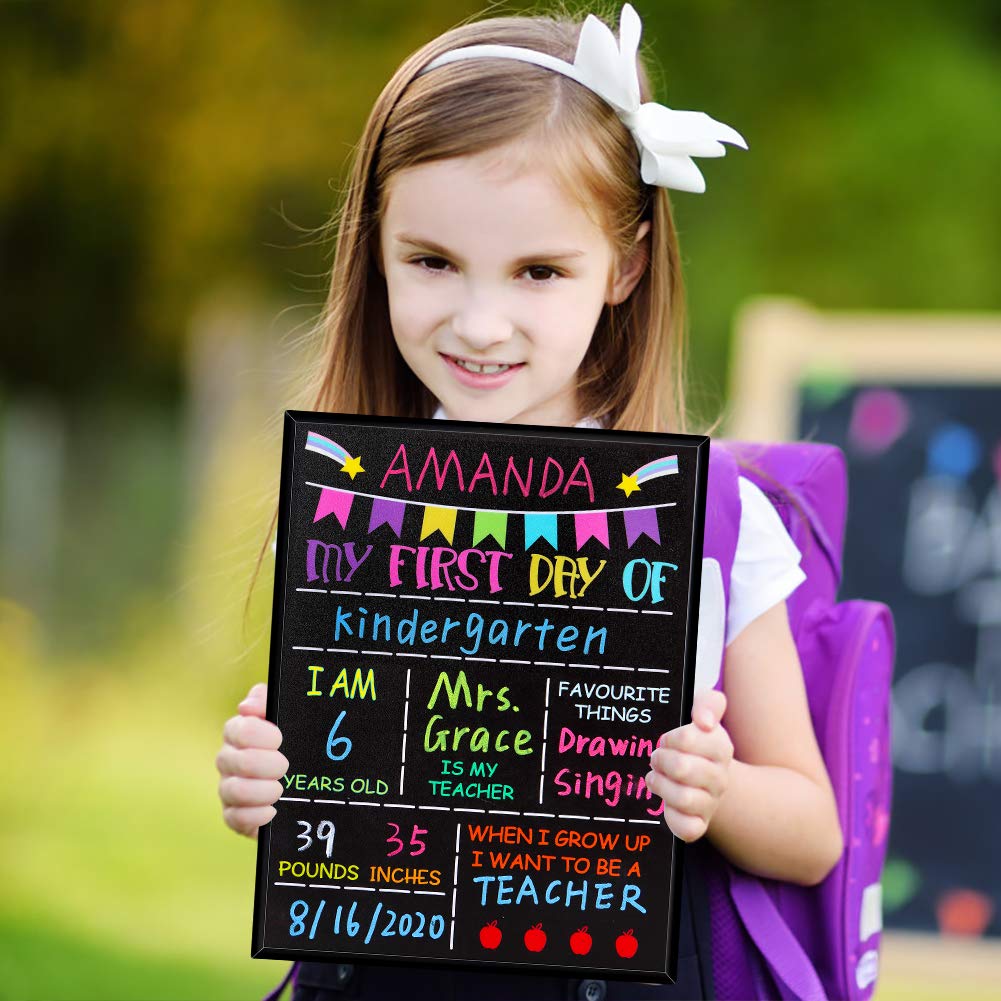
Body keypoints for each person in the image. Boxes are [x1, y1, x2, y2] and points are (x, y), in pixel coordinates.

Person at [215, 4, 844, 998]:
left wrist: (712, 788)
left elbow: (811, 833)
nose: (477, 321)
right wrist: (267, 779)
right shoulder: (353, 495)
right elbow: (346, 787)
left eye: (538, 272)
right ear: (374, 246)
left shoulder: (717, 517)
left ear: (625, 265)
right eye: (430, 262)